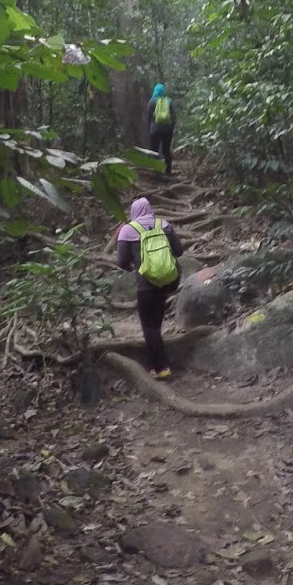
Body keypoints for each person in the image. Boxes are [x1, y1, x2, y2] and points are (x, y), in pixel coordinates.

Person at [115, 196, 185, 379]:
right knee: (156, 322)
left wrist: (134, 266)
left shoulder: (127, 230)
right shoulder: (164, 224)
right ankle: (159, 355)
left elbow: (121, 261)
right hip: (169, 280)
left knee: (149, 326)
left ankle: (161, 367)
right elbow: (179, 251)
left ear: (133, 212)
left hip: (146, 284)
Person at [146, 83, 176, 175]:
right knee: (166, 150)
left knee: (154, 150)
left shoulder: (152, 102)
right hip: (167, 129)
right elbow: (174, 117)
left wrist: (149, 129)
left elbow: (149, 117)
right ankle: (168, 171)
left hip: (155, 129)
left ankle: (156, 172)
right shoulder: (169, 101)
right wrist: (171, 128)